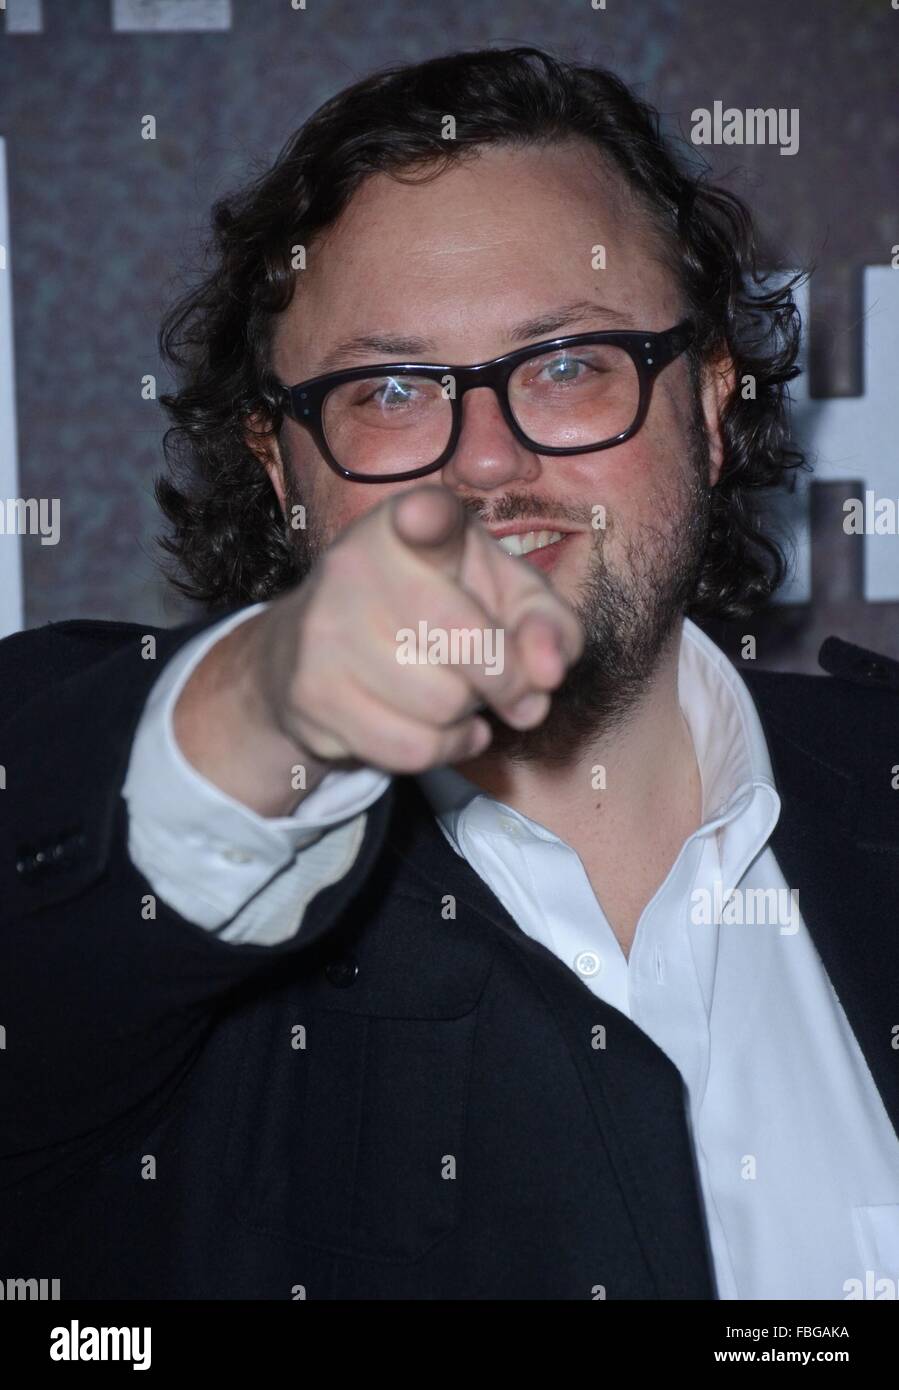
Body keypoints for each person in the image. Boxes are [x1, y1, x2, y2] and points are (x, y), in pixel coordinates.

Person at [3, 46, 898, 1302]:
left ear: (704, 402)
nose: (483, 459)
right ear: (279, 466)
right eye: (389, 388)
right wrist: (272, 703)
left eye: (570, 363)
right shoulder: (160, 970)